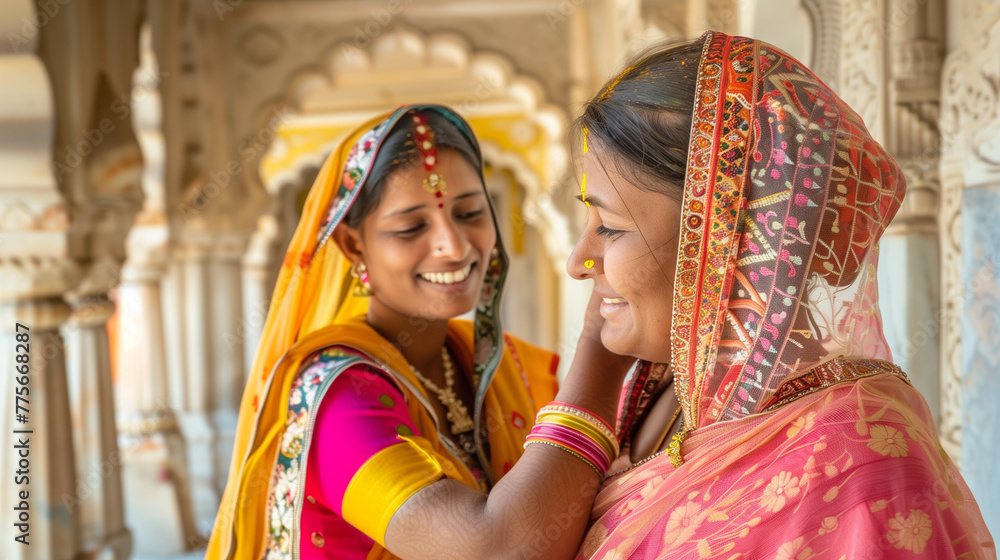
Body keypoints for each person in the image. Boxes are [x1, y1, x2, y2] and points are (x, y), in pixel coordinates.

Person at [567, 32, 996, 558]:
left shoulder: (859, 451)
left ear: (731, 239)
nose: (577, 262)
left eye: (608, 227)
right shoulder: (669, 397)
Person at [206, 104, 634, 560]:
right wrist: (599, 346)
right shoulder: (334, 393)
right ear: (353, 246)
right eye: (412, 227)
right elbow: (491, 551)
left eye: (470, 213)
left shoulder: (506, 363)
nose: (453, 246)